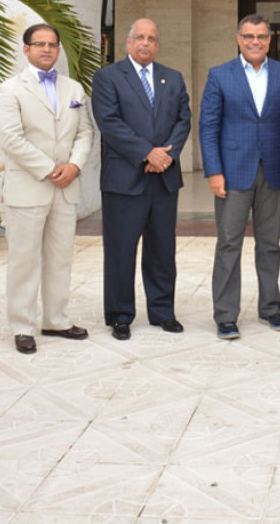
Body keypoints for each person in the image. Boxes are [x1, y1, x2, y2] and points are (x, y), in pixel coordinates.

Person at [0, 23, 94, 355]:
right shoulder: (10, 90)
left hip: (66, 188)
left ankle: (56, 319)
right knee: (24, 259)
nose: (47, 49)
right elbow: (11, 139)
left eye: (52, 44)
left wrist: (74, 166)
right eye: (40, 44)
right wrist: (51, 168)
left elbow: (85, 133)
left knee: (60, 257)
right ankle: (22, 326)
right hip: (29, 187)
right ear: (26, 49)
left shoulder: (74, 88)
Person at [199, 14, 280, 340]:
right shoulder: (219, 75)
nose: (255, 42)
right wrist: (214, 171)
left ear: (270, 40)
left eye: (261, 36)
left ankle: (270, 309)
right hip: (232, 173)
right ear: (238, 39)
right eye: (248, 36)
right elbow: (208, 126)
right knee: (229, 243)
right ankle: (226, 315)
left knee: (270, 244)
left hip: (274, 172)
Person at [91, 18, 191, 340]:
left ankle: (162, 312)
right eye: (140, 37)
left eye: (151, 38)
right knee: (121, 251)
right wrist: (147, 153)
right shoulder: (107, 77)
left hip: (164, 179)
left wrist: (166, 157)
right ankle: (120, 315)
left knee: (162, 249)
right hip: (124, 179)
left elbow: (183, 120)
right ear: (129, 41)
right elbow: (109, 122)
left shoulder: (172, 78)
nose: (146, 43)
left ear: (157, 44)